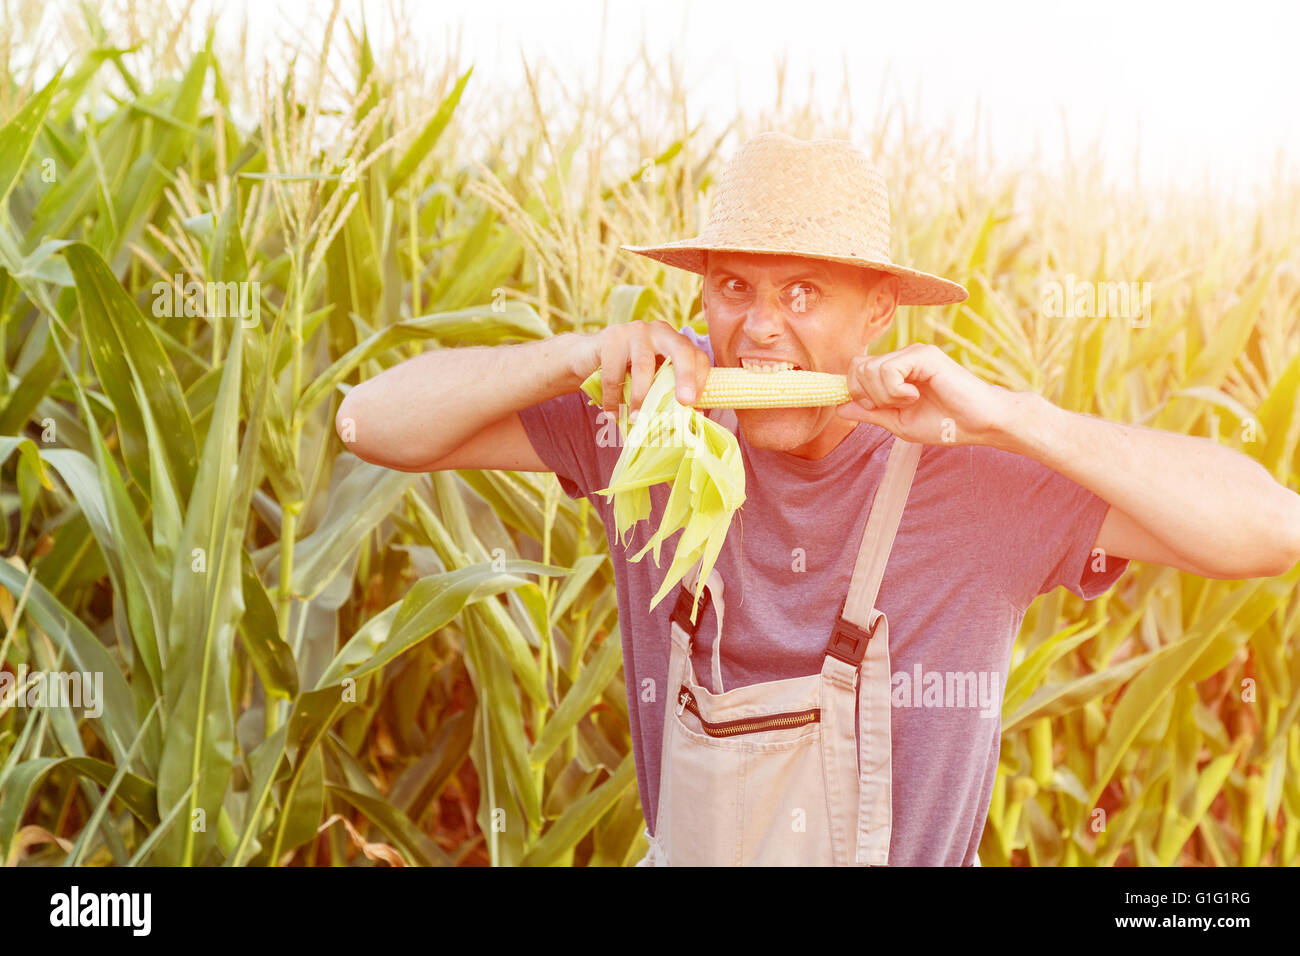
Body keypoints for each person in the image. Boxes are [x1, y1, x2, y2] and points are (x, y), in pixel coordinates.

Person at [337, 131, 1300, 866]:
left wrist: (1009, 418)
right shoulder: (646, 439)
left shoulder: (980, 478)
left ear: (881, 310)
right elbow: (370, 425)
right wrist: (582, 355)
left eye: (804, 293)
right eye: (732, 287)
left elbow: (1270, 531)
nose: (759, 329)